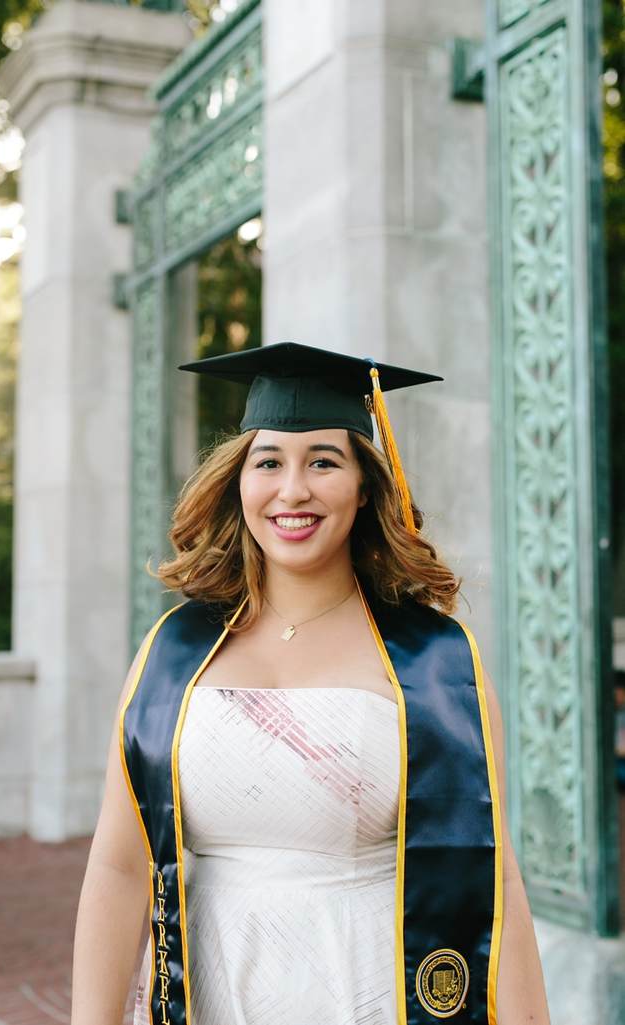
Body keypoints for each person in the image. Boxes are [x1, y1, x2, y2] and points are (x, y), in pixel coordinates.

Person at [71, 343, 550, 1025]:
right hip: (208, 998)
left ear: (364, 485)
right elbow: (119, 868)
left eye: (323, 461)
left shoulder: (435, 662)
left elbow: (492, 879)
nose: (291, 488)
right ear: (238, 481)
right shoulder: (174, 652)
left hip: (368, 996)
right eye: (268, 462)